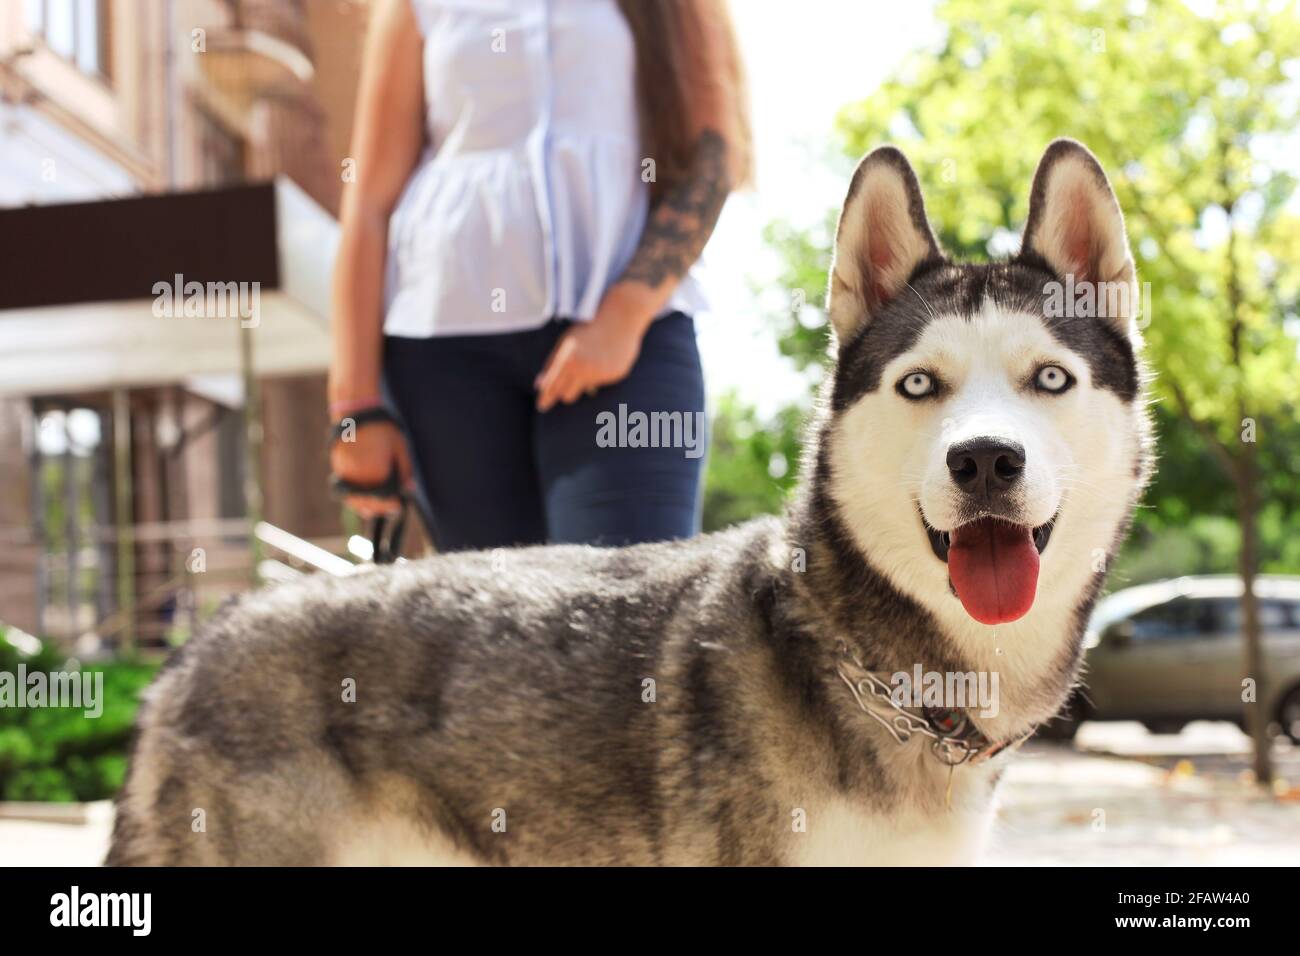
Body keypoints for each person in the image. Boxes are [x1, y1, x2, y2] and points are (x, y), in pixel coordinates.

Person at [327, 0, 751, 551]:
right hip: (444, 357)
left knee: (630, 610)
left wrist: (623, 316)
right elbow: (369, 204)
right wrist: (353, 407)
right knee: (492, 624)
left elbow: (710, 161)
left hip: (630, 342)